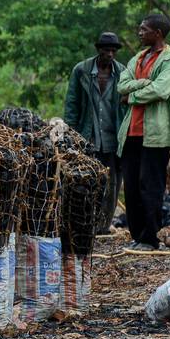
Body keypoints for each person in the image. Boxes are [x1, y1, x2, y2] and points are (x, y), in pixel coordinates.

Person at [117, 14, 170, 251]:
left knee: (150, 186)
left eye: (144, 29)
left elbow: (162, 89)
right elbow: (121, 85)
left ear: (158, 33)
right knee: (132, 186)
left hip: (155, 135)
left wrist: (131, 96)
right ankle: (137, 235)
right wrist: (143, 84)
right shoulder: (138, 58)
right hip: (131, 133)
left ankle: (150, 238)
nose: (139, 32)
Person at [63, 32, 126, 232]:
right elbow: (72, 104)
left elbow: (125, 108)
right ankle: (84, 224)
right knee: (85, 182)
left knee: (112, 184)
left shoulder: (122, 72)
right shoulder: (81, 70)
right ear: (98, 50)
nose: (110, 54)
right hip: (87, 137)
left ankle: (104, 225)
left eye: (113, 51)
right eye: (106, 50)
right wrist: (70, 135)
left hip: (112, 138)